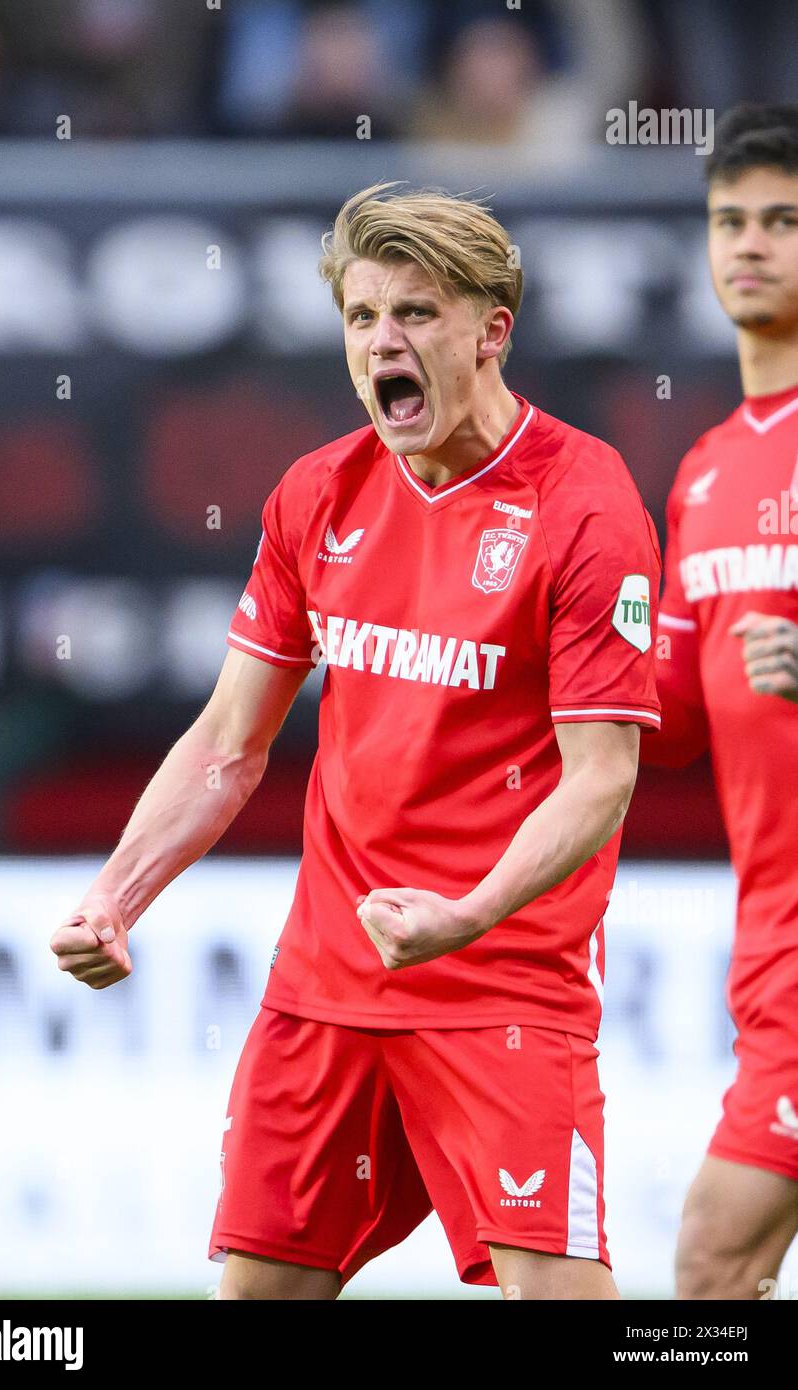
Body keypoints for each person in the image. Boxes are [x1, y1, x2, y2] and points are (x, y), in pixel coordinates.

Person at [50, 182, 661, 1300]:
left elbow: (599, 782)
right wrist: (114, 898)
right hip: (325, 987)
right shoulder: (318, 492)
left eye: (416, 313)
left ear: (491, 332)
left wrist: (464, 914)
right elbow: (228, 743)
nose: (383, 341)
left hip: (500, 991)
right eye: (361, 316)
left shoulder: (584, 503)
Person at [643, 105, 798, 1299]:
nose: (748, 243)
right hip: (768, 932)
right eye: (728, 220)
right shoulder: (701, 471)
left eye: (781, 220)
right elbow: (669, 721)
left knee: (710, 1255)